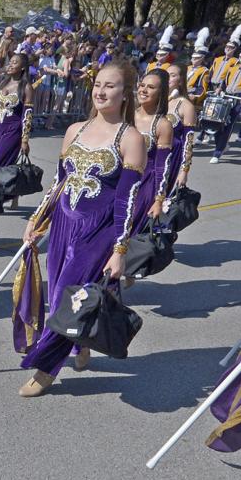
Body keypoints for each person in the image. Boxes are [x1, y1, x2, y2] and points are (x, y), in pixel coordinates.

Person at [18, 61, 146, 396]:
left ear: (125, 93)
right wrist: (39, 218)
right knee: (59, 291)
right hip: (63, 224)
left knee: (66, 298)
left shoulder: (130, 138)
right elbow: (59, 183)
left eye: (111, 86)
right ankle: (79, 342)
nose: (102, 92)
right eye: (98, 84)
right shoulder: (75, 129)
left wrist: (120, 250)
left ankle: (45, 369)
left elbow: (127, 201)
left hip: (97, 231)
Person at [131, 69, 173, 235]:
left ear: (160, 93)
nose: (143, 90)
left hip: (142, 187)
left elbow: (162, 167)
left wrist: (158, 201)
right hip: (115, 182)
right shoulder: (125, 114)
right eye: (142, 85)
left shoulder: (162, 125)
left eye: (150, 87)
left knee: (128, 236)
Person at [0, 52, 34, 208]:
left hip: (13, 130)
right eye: (10, 62)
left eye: (14, 63)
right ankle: (13, 193)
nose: (10, 65)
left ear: (22, 67)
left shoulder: (26, 87)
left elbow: (27, 116)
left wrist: (24, 140)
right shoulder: (3, 83)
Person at [210, 42, 241, 164]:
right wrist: (220, 88)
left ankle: (217, 152)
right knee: (217, 122)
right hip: (226, 97)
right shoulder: (232, 68)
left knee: (229, 125)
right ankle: (222, 146)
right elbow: (224, 83)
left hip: (239, 100)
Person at [165, 64, 197, 190]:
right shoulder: (156, 100)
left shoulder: (185, 105)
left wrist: (184, 171)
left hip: (170, 158)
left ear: (180, 81)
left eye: (172, 76)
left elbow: (188, 142)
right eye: (166, 75)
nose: (168, 78)